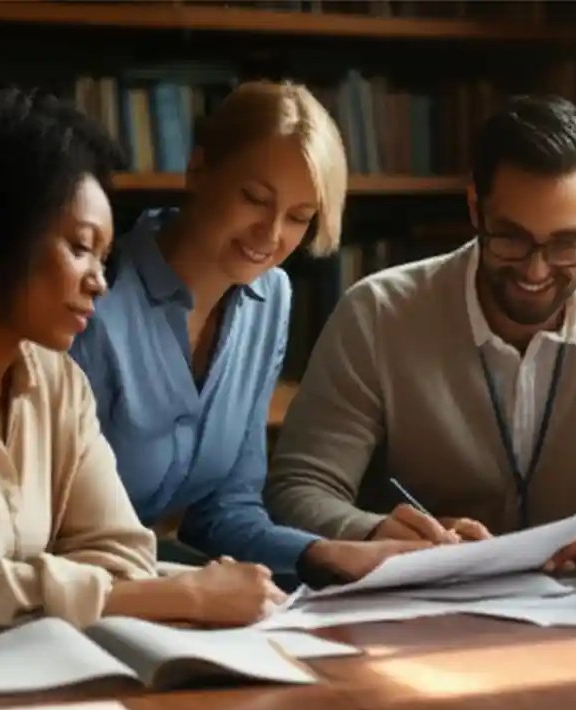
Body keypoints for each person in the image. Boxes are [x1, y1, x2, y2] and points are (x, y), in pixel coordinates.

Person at [0, 88, 289, 631]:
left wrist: (33, 588)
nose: (98, 281)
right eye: (78, 247)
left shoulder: (59, 380)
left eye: (103, 255)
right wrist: (184, 595)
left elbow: (122, 552)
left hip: (21, 670)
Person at [264, 95, 576, 576]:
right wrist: (374, 533)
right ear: (476, 207)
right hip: (427, 605)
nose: (536, 270)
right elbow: (296, 492)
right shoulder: (378, 313)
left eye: (567, 244)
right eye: (512, 238)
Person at [69, 81, 427, 587]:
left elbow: (225, 511)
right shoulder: (93, 302)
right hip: (83, 594)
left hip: (158, 586)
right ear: (198, 172)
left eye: (299, 218)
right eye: (255, 199)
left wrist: (330, 552)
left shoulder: (270, 298)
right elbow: (53, 529)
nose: (271, 235)